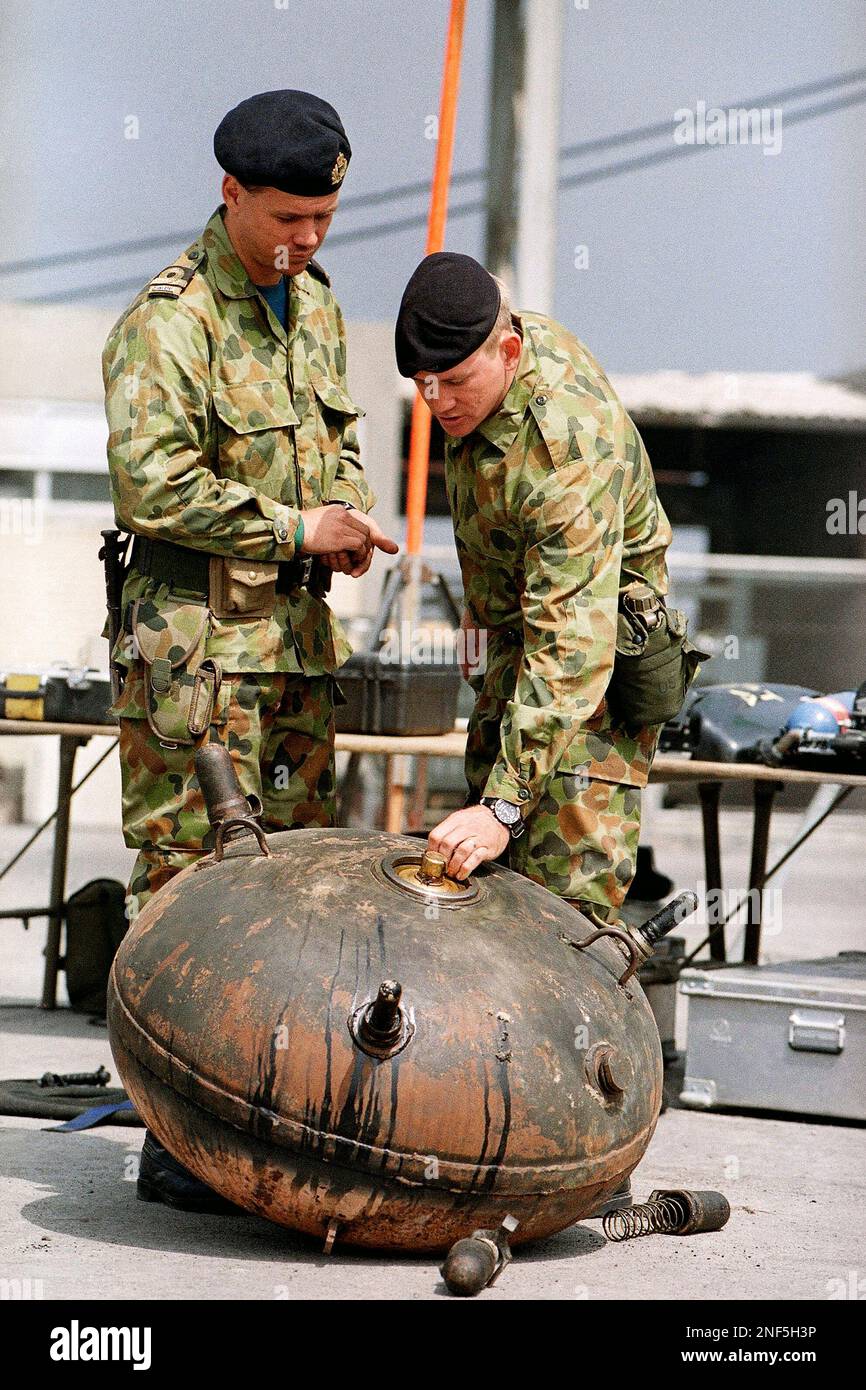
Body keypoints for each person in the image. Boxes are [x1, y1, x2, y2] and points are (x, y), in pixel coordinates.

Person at [103, 89, 397, 1210]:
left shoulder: (312, 307)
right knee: (192, 882)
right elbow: (152, 481)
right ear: (230, 193)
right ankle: (178, 1136)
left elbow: (339, 443)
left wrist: (347, 514)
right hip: (197, 657)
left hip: (295, 649)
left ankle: (281, 1106)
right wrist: (290, 528)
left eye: (322, 219)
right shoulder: (169, 321)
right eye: (286, 218)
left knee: (299, 878)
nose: (305, 241)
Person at [394, 252, 674, 927]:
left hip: (588, 688)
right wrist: (479, 614)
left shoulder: (567, 452)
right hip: (519, 651)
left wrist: (503, 808)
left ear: (510, 351)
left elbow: (572, 648)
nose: (437, 403)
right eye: (424, 384)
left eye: (454, 382)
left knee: (559, 923)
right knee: (484, 903)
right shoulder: (485, 368)